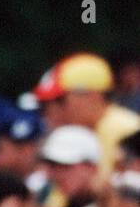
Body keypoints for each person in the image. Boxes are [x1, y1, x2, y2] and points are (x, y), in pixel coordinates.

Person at [34, 52, 140, 181]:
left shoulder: (125, 129)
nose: (53, 110)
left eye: (60, 100)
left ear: (91, 95)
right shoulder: (85, 132)